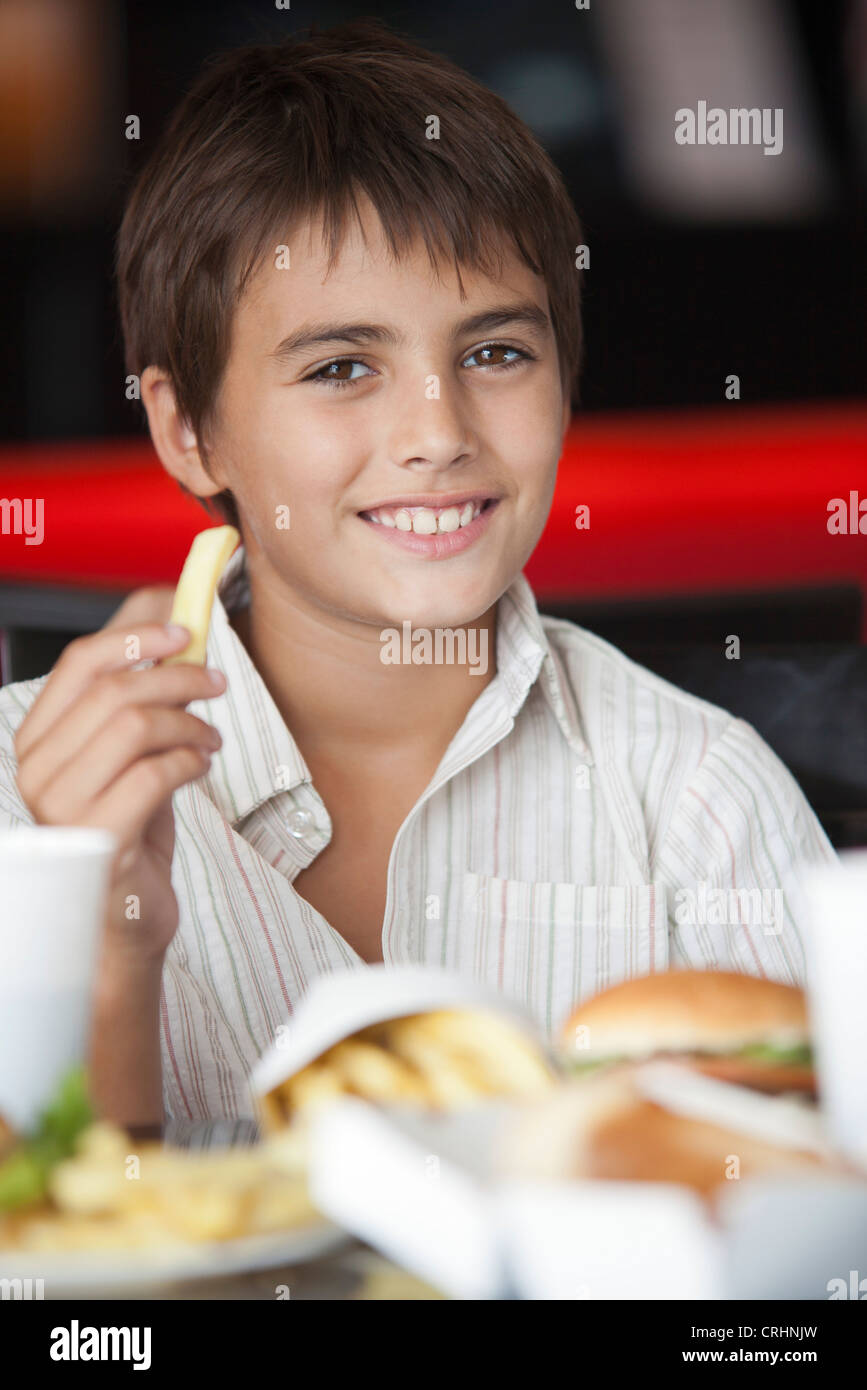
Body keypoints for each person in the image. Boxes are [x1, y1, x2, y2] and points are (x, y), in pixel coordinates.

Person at [0, 21, 837, 1128]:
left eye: (495, 352)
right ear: (189, 428)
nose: (438, 432)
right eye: (343, 367)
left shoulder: (697, 797)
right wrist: (105, 949)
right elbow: (55, 1276)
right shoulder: (28, 798)